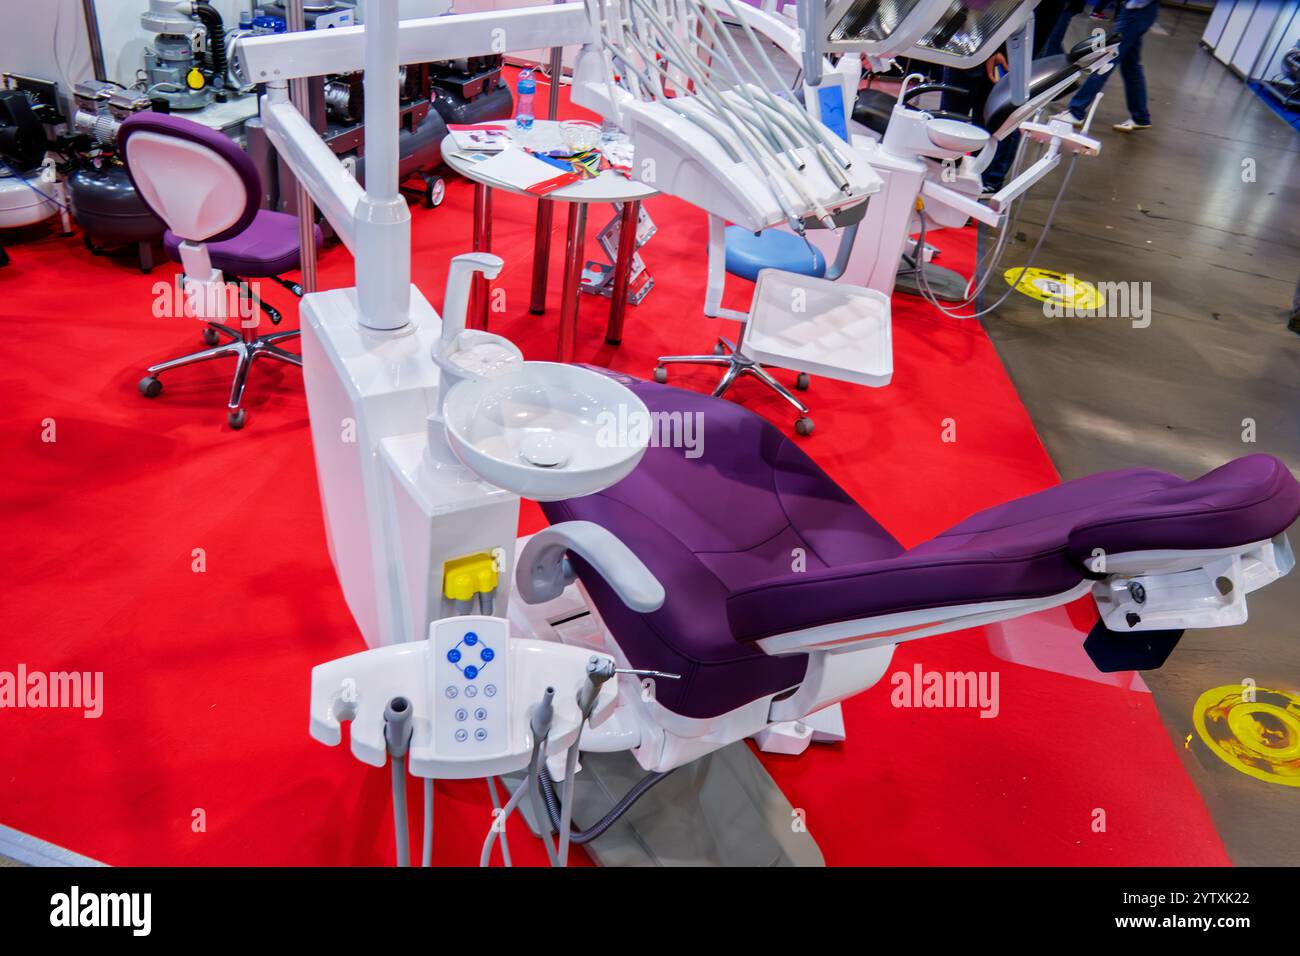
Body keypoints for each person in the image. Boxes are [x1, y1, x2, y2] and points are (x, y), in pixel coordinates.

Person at [1056, 0, 1161, 132]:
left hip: (1136, 11)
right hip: (1139, 11)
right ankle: (1141, 117)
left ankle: (1076, 111)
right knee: (1131, 67)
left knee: (1105, 61)